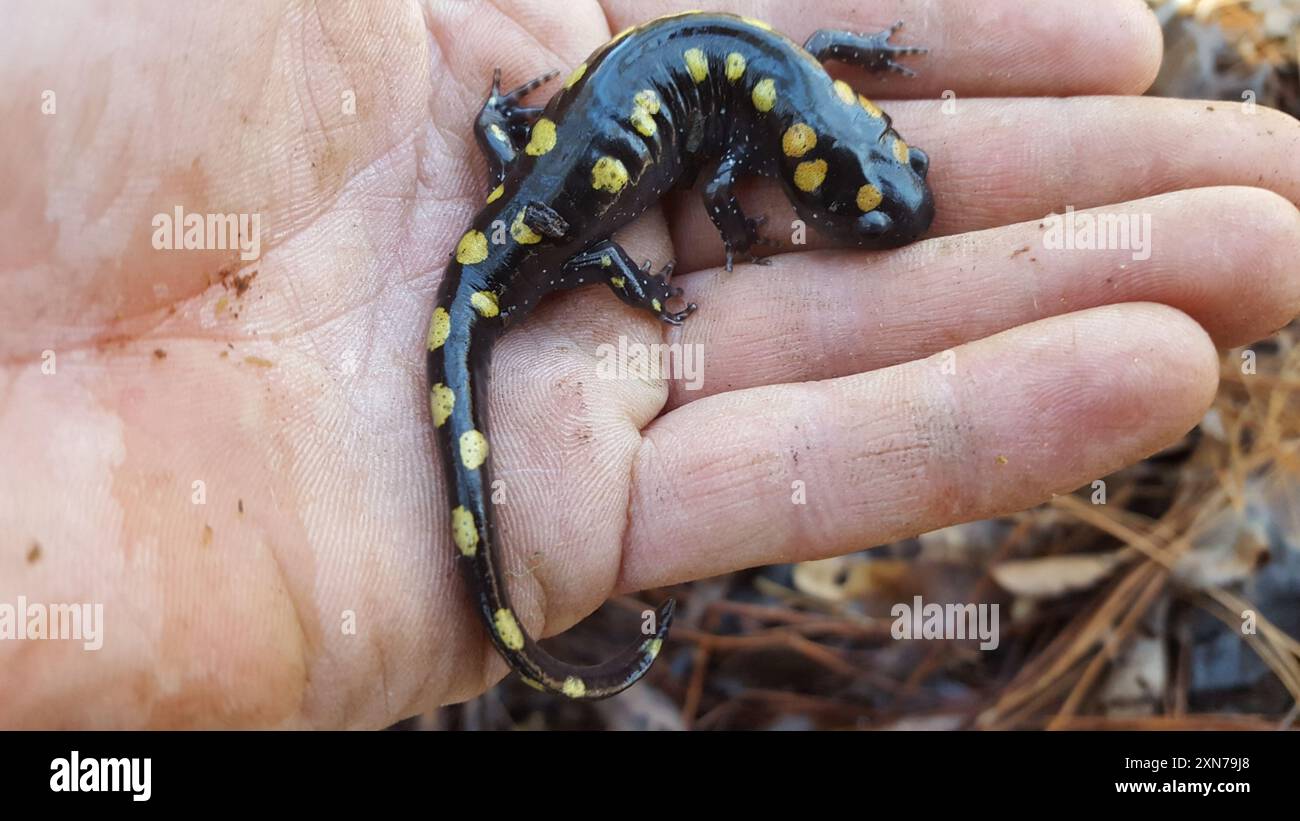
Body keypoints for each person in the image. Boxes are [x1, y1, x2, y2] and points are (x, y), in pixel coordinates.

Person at [1, 0, 1297, 727]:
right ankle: (514, 611)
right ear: (827, 163)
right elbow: (733, 166)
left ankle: (522, 591)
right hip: (545, 216)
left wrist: (543, 153)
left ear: (859, 120)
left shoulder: (803, 83)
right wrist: (696, 246)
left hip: (545, 172)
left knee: (551, 243)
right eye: (865, 201)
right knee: (553, 262)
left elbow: (787, 106)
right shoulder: (782, 115)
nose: (874, 210)